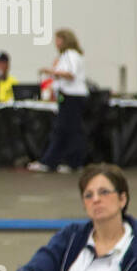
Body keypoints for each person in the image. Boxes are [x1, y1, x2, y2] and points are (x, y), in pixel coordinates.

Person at [7, 163, 137, 271]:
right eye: (88, 195)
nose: (96, 200)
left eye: (104, 192)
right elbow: (38, 267)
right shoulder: (71, 236)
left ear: (122, 199)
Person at [28, 29, 88, 173]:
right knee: (65, 130)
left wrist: (50, 71)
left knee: (67, 130)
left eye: (58, 40)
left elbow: (70, 74)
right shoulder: (66, 56)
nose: (56, 43)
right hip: (69, 96)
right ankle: (60, 161)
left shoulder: (70, 55)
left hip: (72, 96)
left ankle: (60, 162)